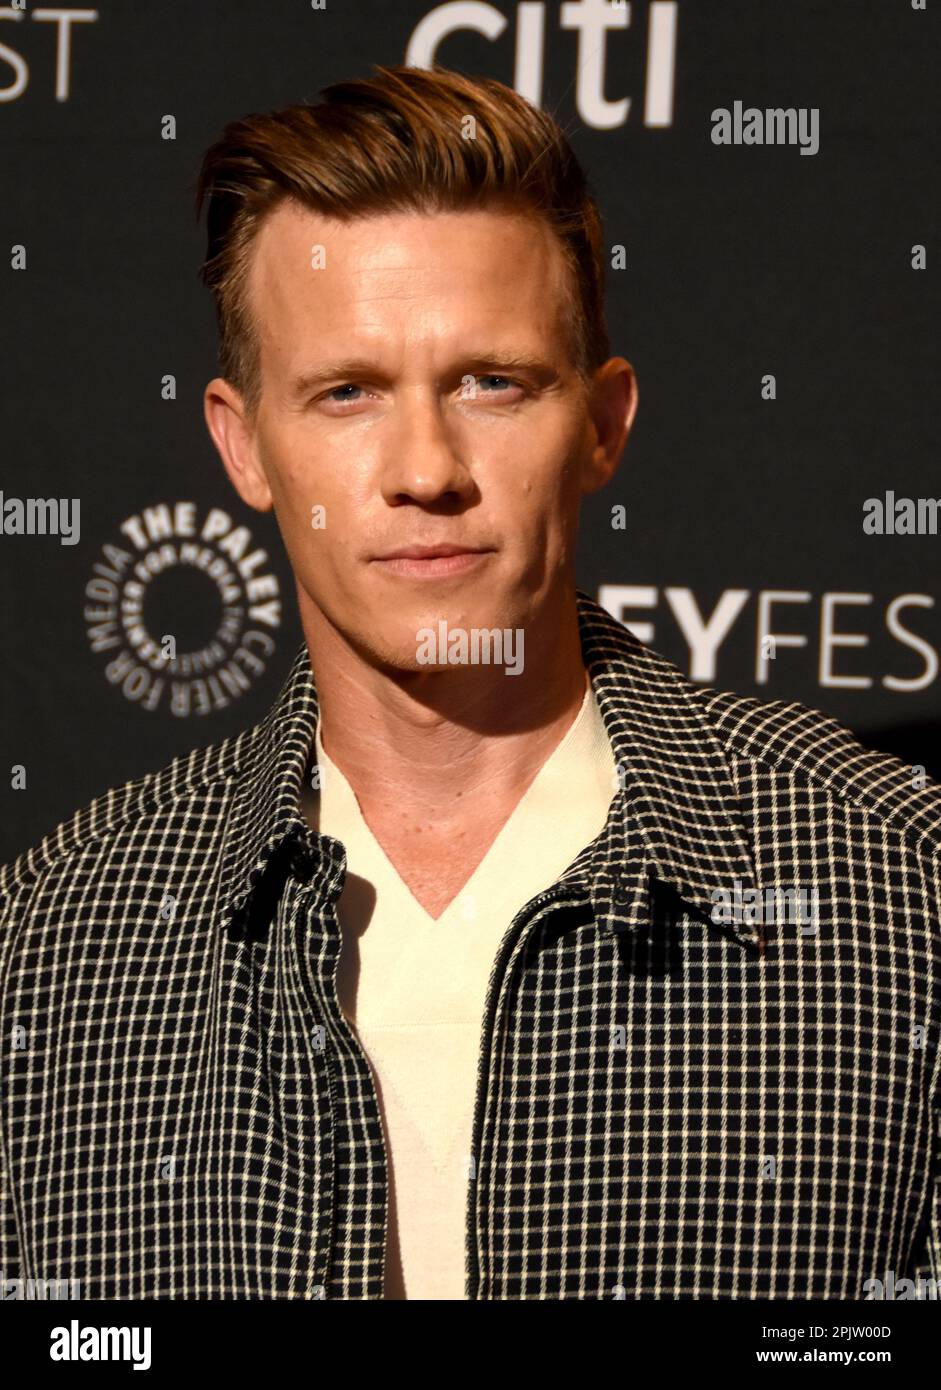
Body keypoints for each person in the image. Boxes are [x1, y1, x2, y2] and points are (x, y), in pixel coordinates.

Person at [1, 64, 939, 1302]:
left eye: (491, 383)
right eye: (347, 393)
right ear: (242, 445)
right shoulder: (51, 955)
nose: (425, 469)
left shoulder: (902, 899)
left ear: (602, 424)